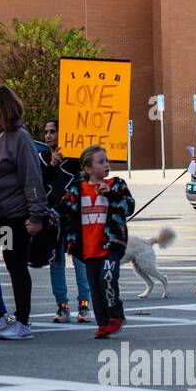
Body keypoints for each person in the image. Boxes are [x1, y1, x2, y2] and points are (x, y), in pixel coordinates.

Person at [0, 85, 46, 340]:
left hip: (13, 215)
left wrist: (36, 215)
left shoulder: (18, 137)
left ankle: (22, 322)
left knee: (14, 263)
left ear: (0, 107)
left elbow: (31, 177)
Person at [60, 144, 136, 338]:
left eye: (107, 161)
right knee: (95, 285)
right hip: (87, 246)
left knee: (107, 277)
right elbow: (62, 210)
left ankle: (116, 316)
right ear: (88, 169)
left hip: (111, 244)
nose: (106, 165)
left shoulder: (116, 184)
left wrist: (111, 195)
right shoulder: (78, 189)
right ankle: (103, 323)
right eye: (101, 162)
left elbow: (128, 207)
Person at [41, 119, 92, 323]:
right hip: (54, 217)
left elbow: (87, 180)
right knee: (56, 262)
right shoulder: (43, 157)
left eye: (52, 131)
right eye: (46, 132)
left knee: (80, 261)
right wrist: (51, 165)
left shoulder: (76, 159)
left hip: (75, 217)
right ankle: (61, 306)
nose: (48, 135)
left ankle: (84, 305)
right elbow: (38, 182)